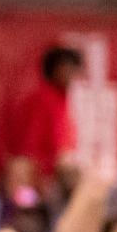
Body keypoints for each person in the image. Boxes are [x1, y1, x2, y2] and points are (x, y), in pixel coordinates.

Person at [6, 43, 84, 176]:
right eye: (67, 68)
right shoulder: (42, 100)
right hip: (39, 178)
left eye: (74, 69)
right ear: (54, 70)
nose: (72, 74)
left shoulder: (63, 100)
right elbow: (30, 146)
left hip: (56, 175)